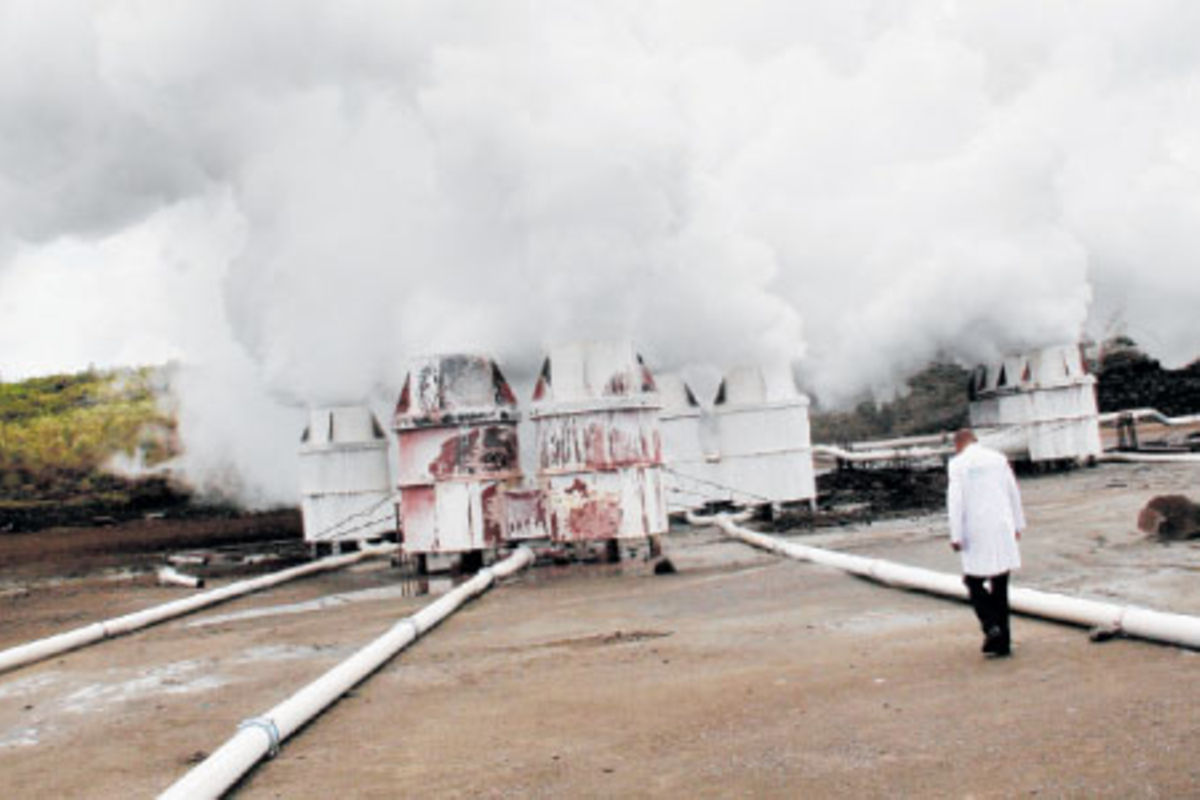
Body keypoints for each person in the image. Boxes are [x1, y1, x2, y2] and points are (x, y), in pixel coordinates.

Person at [946, 428, 1025, 657]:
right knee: (1000, 585)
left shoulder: (958, 464)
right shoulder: (998, 459)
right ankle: (1004, 642)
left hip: (975, 530)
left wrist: (956, 535)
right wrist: (1018, 525)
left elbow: (955, 502)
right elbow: (1013, 493)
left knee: (972, 581)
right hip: (1001, 527)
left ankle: (991, 626)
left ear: (958, 444)